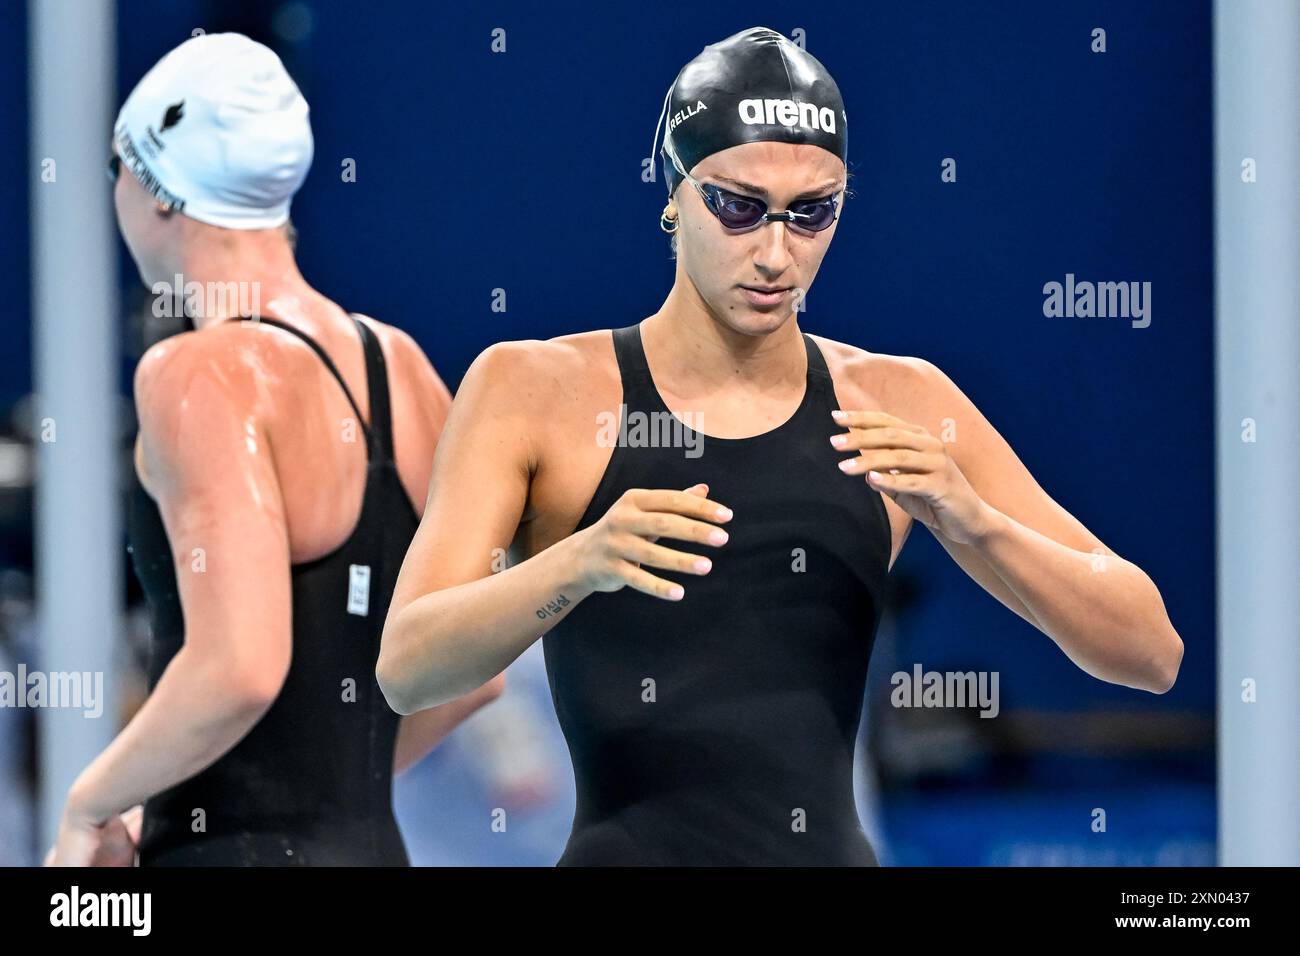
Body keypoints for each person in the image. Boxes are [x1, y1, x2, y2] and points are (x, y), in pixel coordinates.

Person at [378, 26, 1183, 865]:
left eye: (811, 214)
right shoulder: (533, 389)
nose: (774, 254)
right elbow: (409, 667)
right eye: (737, 206)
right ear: (673, 192)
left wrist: (977, 524)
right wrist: (579, 564)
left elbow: (1150, 653)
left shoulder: (899, 400)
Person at [45, 33, 502, 867]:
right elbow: (474, 670)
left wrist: (94, 802)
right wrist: (333, 793)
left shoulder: (197, 371)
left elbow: (242, 664)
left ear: (159, 195)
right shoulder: (399, 365)